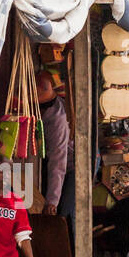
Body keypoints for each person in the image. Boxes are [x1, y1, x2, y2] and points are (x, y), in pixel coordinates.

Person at [37, 72, 73, 219]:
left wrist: (52, 202)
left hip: (74, 164)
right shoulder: (51, 103)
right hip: (59, 160)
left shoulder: (58, 124)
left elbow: (58, 163)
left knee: (67, 213)